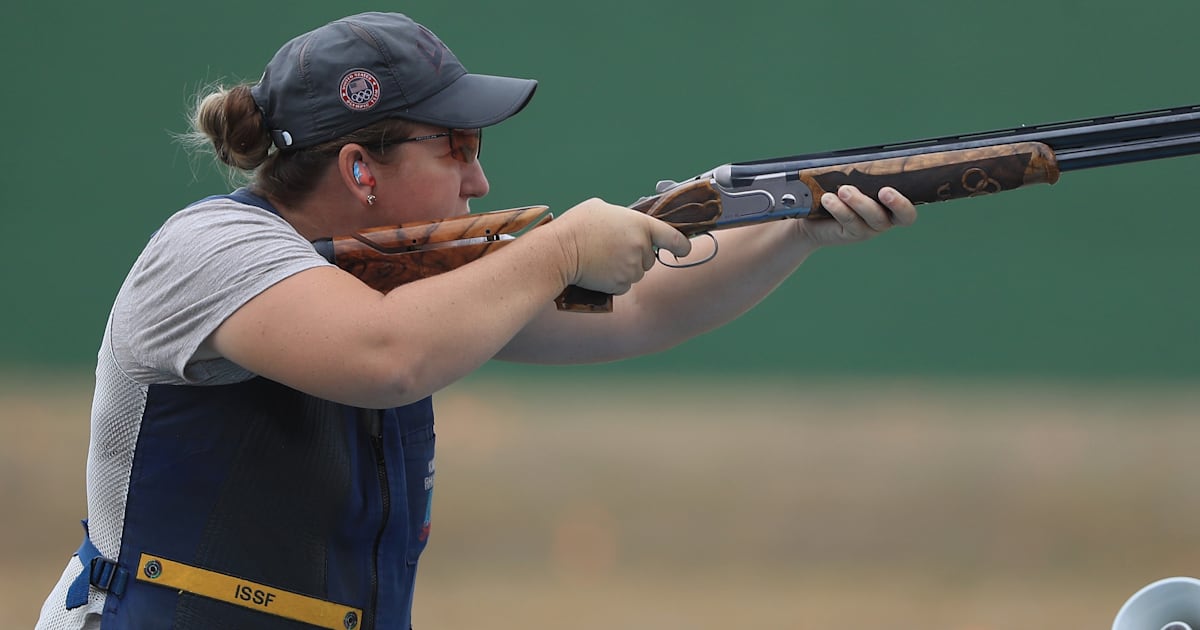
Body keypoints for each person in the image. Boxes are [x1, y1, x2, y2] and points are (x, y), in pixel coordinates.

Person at [35, 11, 916, 630]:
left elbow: (636, 311)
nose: (478, 180)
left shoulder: (414, 272)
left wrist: (794, 230)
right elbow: (386, 357)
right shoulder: (210, 251)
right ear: (359, 167)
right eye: (454, 146)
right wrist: (560, 247)